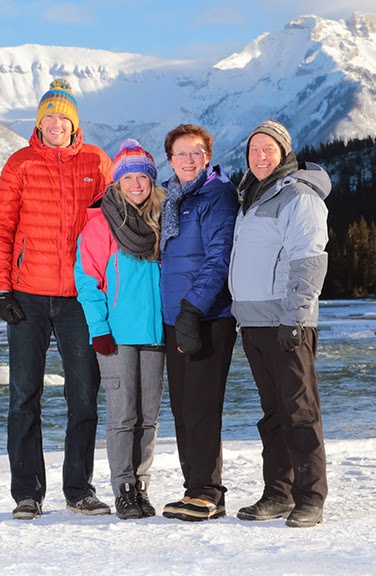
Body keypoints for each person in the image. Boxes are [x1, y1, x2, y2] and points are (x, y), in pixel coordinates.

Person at [0, 78, 113, 520]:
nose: (55, 124)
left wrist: (110, 287)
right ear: (38, 122)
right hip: (27, 296)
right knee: (24, 395)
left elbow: (113, 225)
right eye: (47, 117)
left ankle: (79, 488)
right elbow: (0, 226)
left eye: (63, 117)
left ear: (74, 123)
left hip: (81, 298)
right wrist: (2, 288)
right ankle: (27, 492)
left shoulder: (97, 162)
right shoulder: (20, 163)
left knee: (84, 394)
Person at [228, 119, 330, 528]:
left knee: (300, 412)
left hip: (287, 322)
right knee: (272, 414)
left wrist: (296, 316)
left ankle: (311, 497)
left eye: (268, 149)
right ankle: (278, 492)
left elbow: (309, 259)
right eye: (254, 150)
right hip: (252, 324)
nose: (260, 156)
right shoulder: (251, 197)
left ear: (284, 153)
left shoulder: (299, 197)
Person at [74, 139, 166, 520]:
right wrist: (99, 328)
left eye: (142, 176)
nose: (136, 183)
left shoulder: (162, 221)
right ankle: (124, 487)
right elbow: (87, 282)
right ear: (116, 183)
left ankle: (142, 485)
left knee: (149, 418)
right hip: (116, 336)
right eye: (128, 176)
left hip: (156, 334)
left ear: (151, 182)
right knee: (123, 416)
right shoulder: (99, 225)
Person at [159, 124, 239, 522]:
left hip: (208, 316)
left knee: (203, 407)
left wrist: (193, 308)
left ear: (207, 156)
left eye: (195, 153)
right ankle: (194, 489)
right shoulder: (173, 199)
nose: (188, 160)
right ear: (170, 160)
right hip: (176, 317)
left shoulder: (217, 195)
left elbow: (219, 256)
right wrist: (172, 315)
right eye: (180, 154)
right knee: (182, 408)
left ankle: (209, 490)